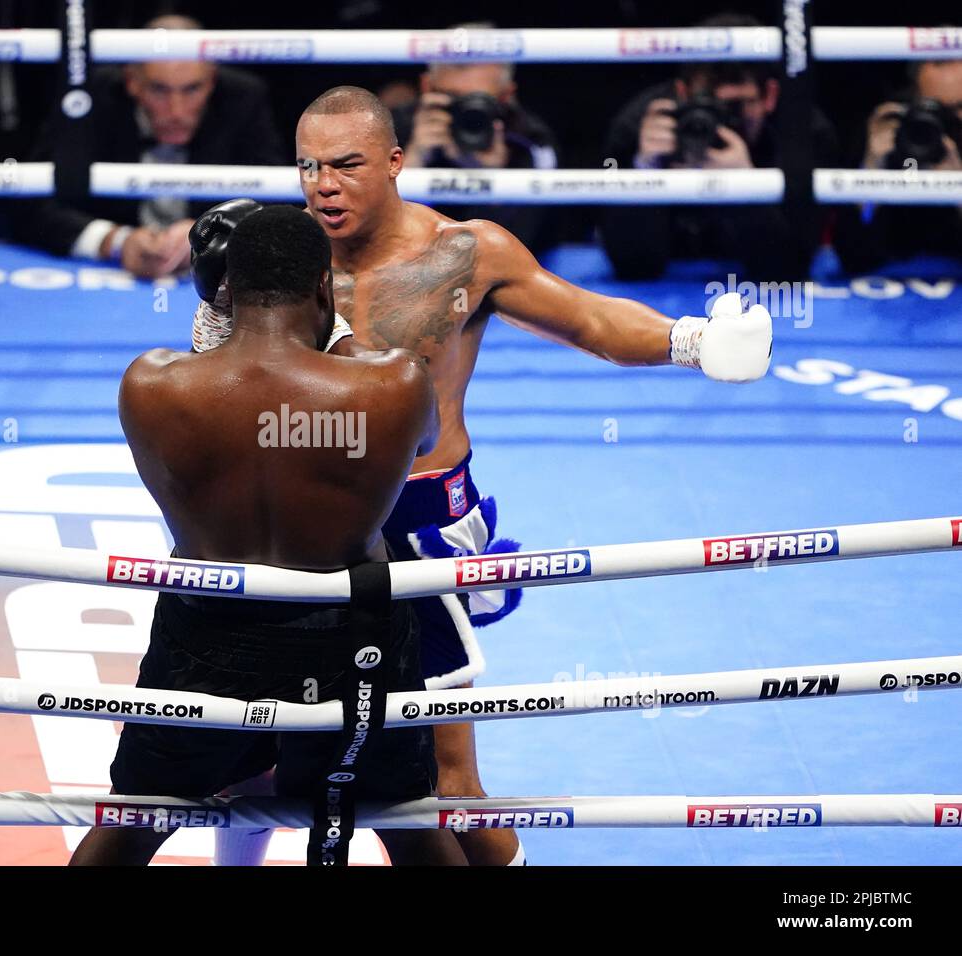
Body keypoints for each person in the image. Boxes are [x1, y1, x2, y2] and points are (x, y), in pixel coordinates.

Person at [192, 86, 772, 866]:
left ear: (396, 162)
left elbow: (590, 320)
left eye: (346, 166)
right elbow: (226, 389)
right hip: (302, 519)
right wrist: (214, 325)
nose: (322, 185)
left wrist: (694, 341)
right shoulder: (280, 256)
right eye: (308, 167)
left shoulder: (463, 254)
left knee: (444, 776)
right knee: (256, 753)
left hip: (418, 518)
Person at [70, 205, 464, 866]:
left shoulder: (150, 385)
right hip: (351, 639)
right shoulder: (392, 386)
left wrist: (218, 341)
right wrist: (337, 342)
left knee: (135, 819)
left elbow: (230, 415)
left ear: (224, 291)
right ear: (322, 288)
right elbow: (425, 442)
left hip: (206, 635)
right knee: (407, 822)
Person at [11, 14, 285, 279]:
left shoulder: (243, 98)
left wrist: (216, 230)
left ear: (212, 80)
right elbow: (30, 201)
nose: (176, 111)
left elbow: (280, 198)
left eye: (191, 89)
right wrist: (113, 241)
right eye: (159, 90)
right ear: (132, 81)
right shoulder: (91, 97)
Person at [599, 13, 839, 280]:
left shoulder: (802, 134)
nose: (721, 119)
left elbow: (788, 271)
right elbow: (631, 267)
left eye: (736, 106)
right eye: (708, 105)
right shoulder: (639, 126)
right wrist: (646, 172)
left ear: (769, 96)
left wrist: (746, 188)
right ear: (682, 93)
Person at [393, 24, 561, 252]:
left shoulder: (531, 141)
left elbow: (524, 252)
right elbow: (373, 241)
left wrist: (494, 184)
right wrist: (411, 163)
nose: (465, 112)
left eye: (478, 100)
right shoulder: (391, 129)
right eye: (451, 97)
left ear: (506, 96)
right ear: (427, 87)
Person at [832, 58, 962, 274]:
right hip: (888, 285)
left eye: (959, 107)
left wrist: (957, 190)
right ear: (915, 100)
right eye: (935, 108)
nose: (947, 121)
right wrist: (872, 169)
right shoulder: (892, 134)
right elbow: (850, 256)